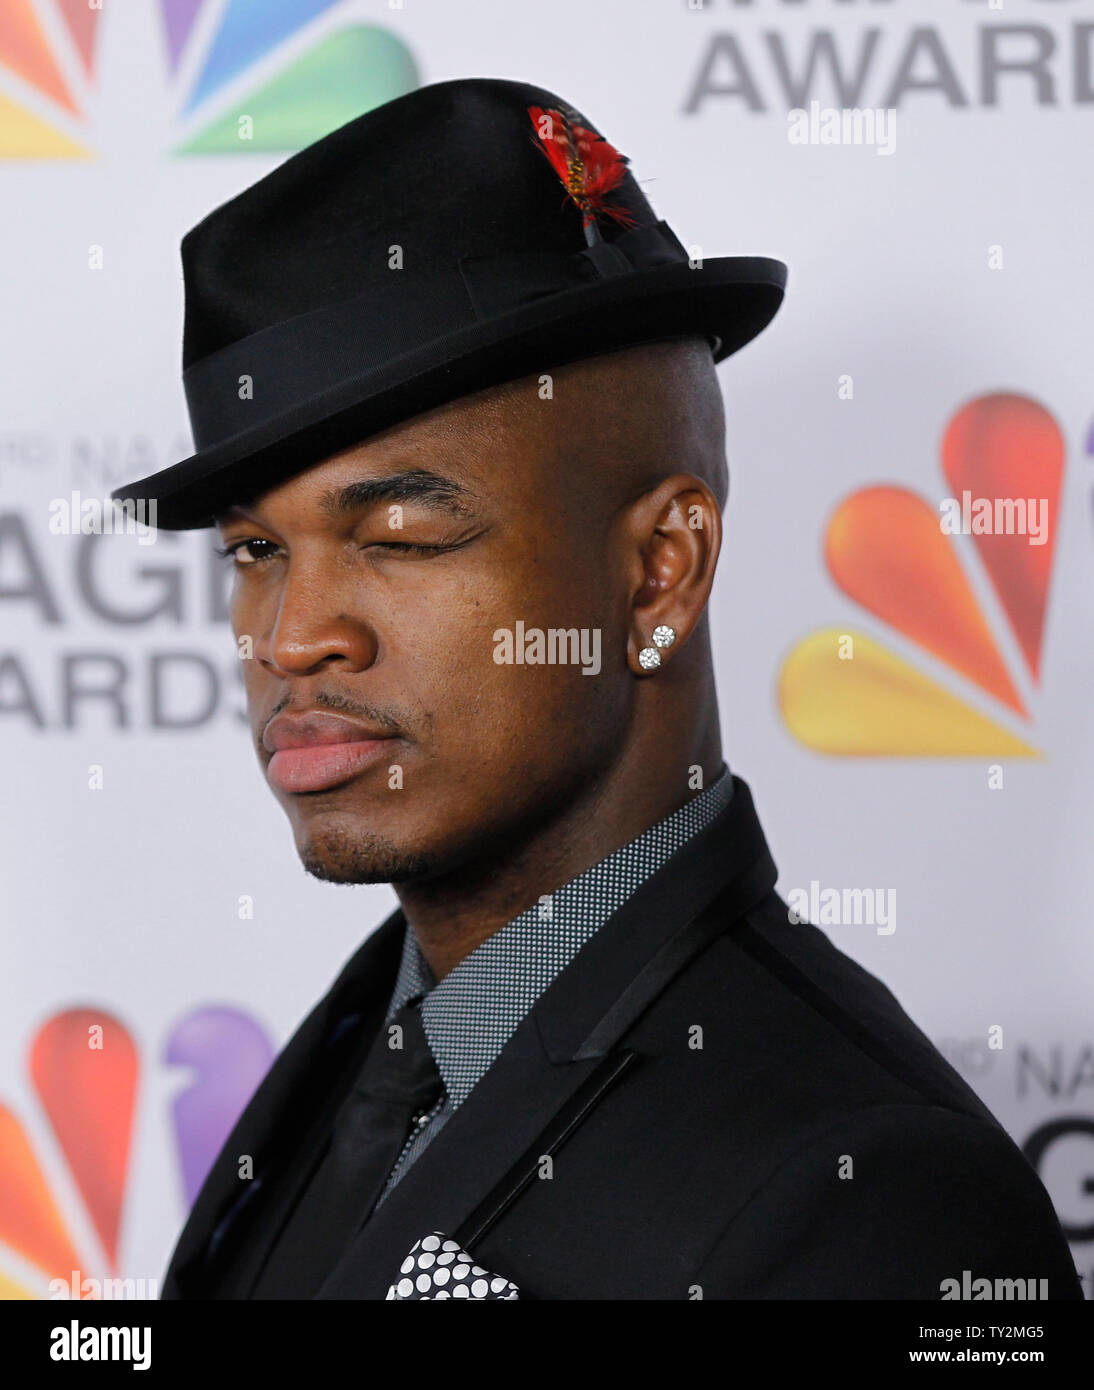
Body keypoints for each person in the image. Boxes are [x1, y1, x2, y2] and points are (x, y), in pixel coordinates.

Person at [112, 77, 1080, 1301]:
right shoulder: (359, 1051)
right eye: (255, 552)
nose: (293, 636)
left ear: (657, 573)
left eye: (402, 532)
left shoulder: (875, 1198)